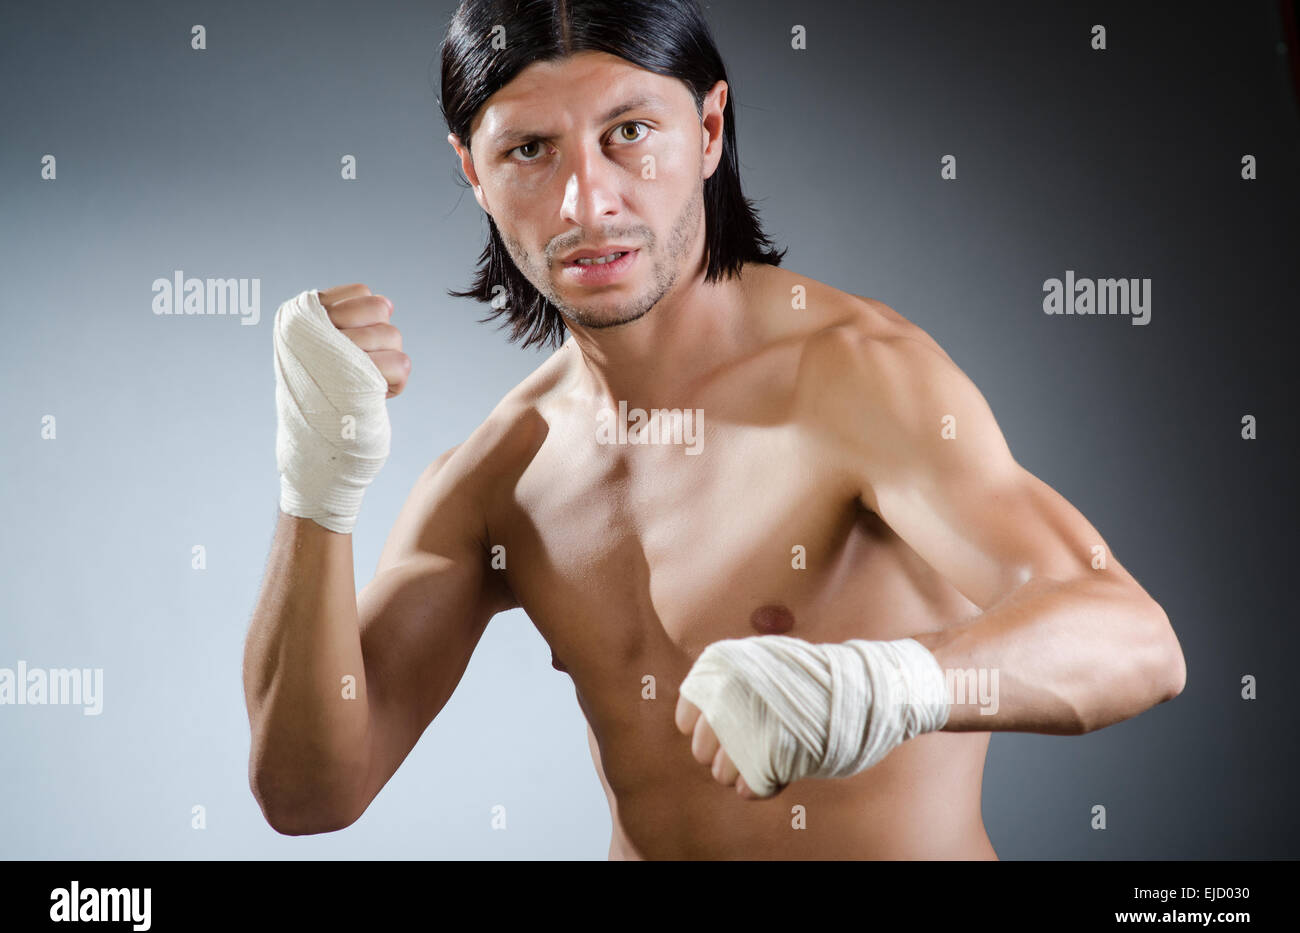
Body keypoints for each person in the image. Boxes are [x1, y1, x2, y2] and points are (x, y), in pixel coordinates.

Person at [243, 0, 1186, 859]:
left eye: (629, 133)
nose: (587, 202)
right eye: (530, 149)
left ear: (707, 129)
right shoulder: (503, 472)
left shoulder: (854, 379)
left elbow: (1134, 640)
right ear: (473, 173)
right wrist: (317, 482)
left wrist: (883, 687)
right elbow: (311, 791)